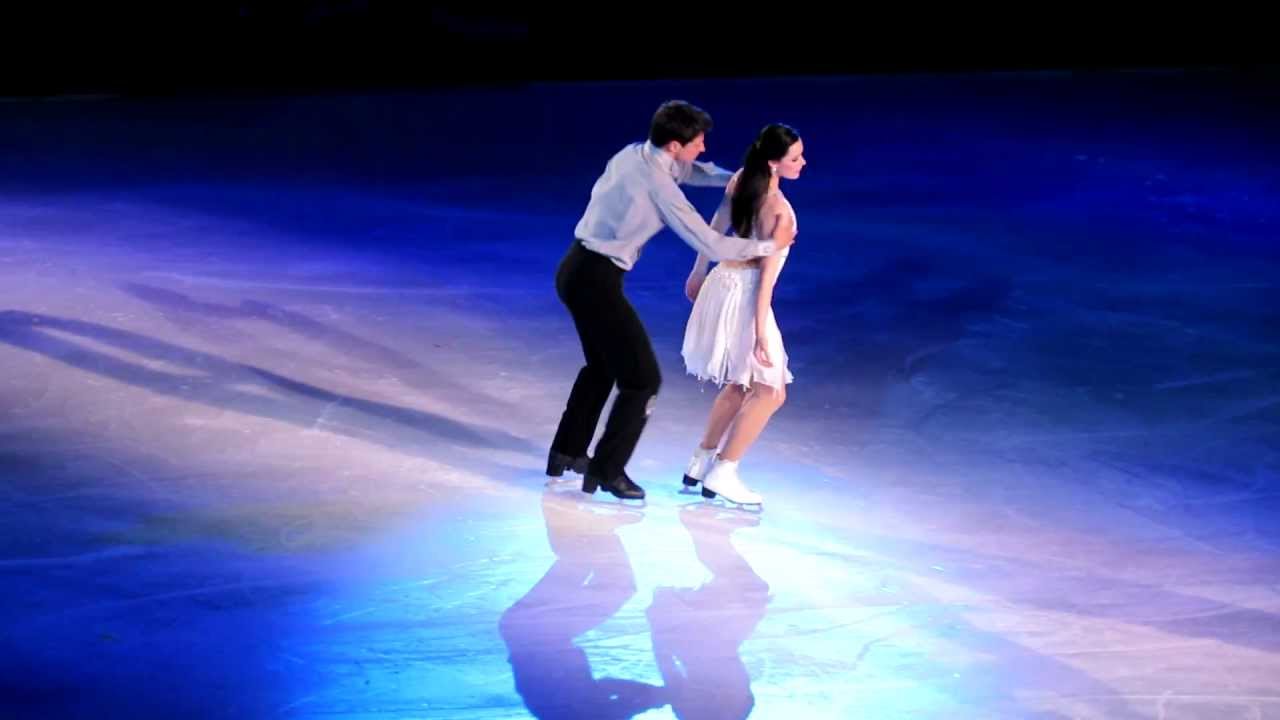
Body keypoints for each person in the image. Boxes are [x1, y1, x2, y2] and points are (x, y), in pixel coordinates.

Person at [547, 100, 786, 500]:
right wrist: (766, 245)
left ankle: (567, 453)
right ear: (675, 144)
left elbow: (693, 170)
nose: (704, 148)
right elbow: (708, 240)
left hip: (575, 269)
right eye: (698, 142)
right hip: (596, 280)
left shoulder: (636, 153)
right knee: (643, 380)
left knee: (602, 366)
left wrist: (740, 180)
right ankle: (608, 470)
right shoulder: (658, 187)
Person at [679, 123, 806, 507]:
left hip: (721, 282)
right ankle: (724, 471)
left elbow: (714, 230)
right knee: (770, 390)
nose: (803, 163)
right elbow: (765, 280)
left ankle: (700, 462)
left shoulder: (740, 180)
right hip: (747, 295)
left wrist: (698, 271)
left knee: (740, 382)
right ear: (774, 162)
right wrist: (762, 334)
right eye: (795, 158)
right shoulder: (781, 213)